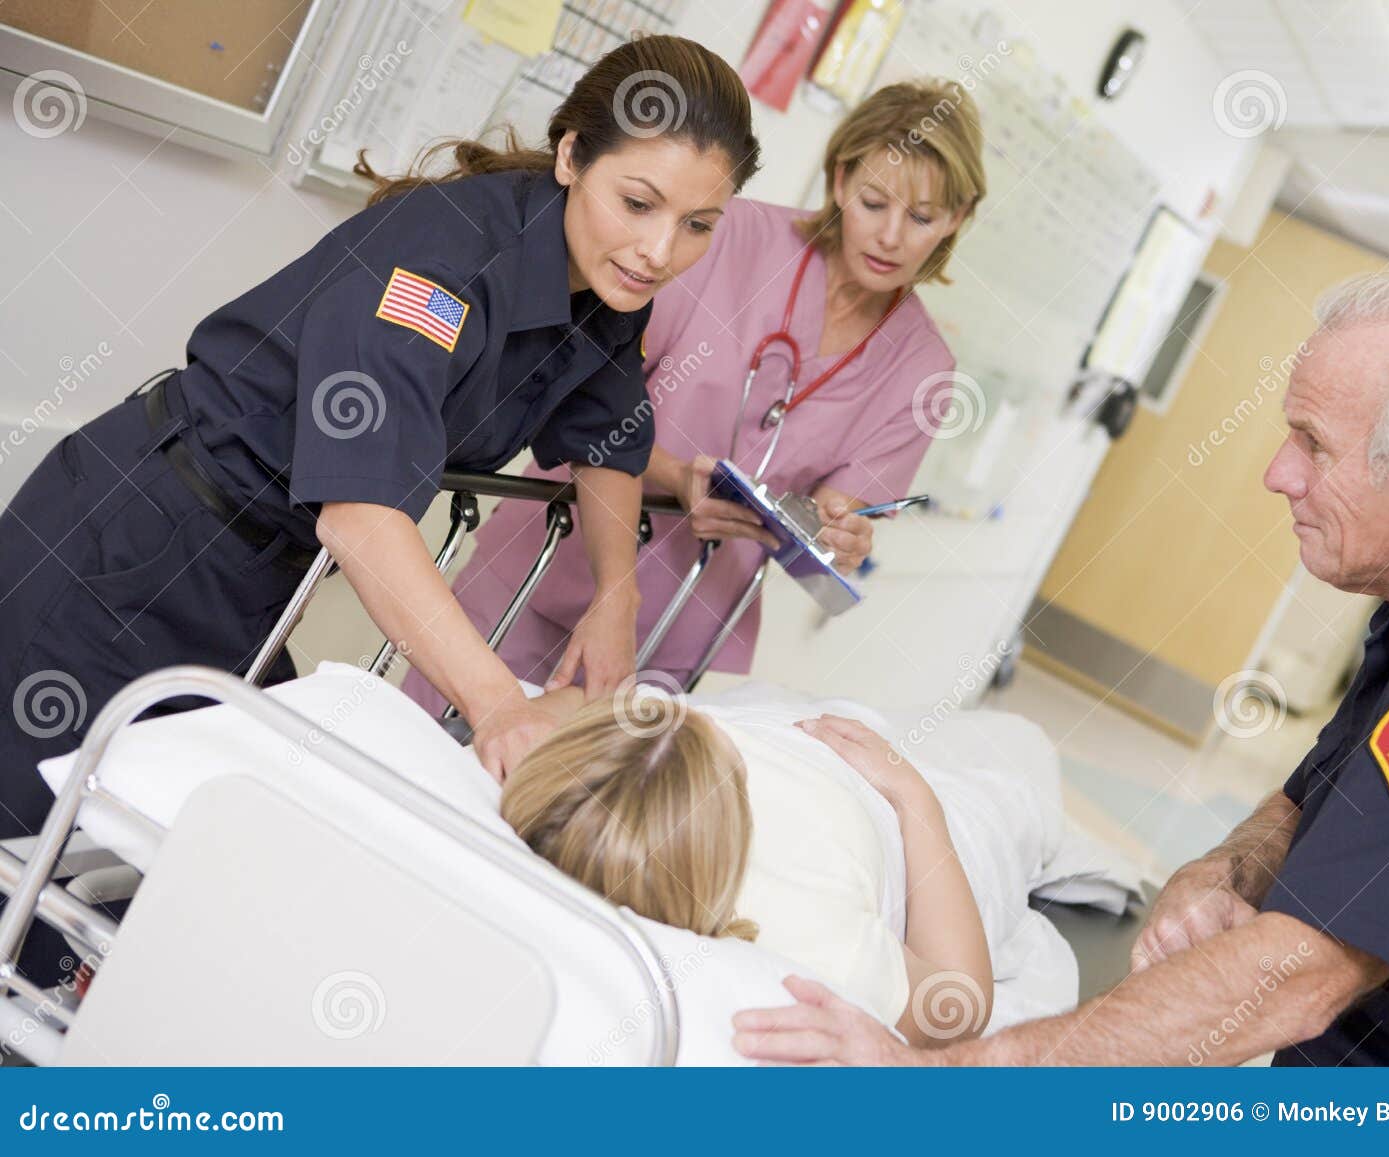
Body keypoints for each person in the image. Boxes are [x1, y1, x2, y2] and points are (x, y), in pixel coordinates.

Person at [731, 267, 1389, 1066]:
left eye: (1313, 443)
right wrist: (1218, 872)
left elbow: (1295, 975)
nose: (1278, 472)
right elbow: (1315, 798)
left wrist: (935, 1081)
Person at [0, 35, 762, 848]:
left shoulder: (608, 287)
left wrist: (618, 595)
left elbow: (609, 439)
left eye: (698, 225)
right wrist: (500, 707)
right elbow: (361, 517)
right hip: (132, 542)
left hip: (256, 578)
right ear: (572, 156)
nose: (658, 251)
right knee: (33, 847)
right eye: (638, 204)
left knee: (155, 857)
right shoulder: (442, 266)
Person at [403, 79, 984, 708]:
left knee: (570, 799)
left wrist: (835, 535)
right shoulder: (723, 236)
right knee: (431, 741)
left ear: (957, 218)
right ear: (841, 180)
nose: (891, 236)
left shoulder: (924, 368)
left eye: (922, 218)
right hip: (546, 558)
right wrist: (678, 475)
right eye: (875, 202)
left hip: (682, 622)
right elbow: (581, 399)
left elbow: (834, 513)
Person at [499, 691, 994, 1046]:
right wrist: (917, 800)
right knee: (999, 785)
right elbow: (958, 1007)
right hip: (880, 788)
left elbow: (575, 702)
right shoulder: (809, 927)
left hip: (783, 717)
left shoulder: (621, 740)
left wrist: (532, 709)